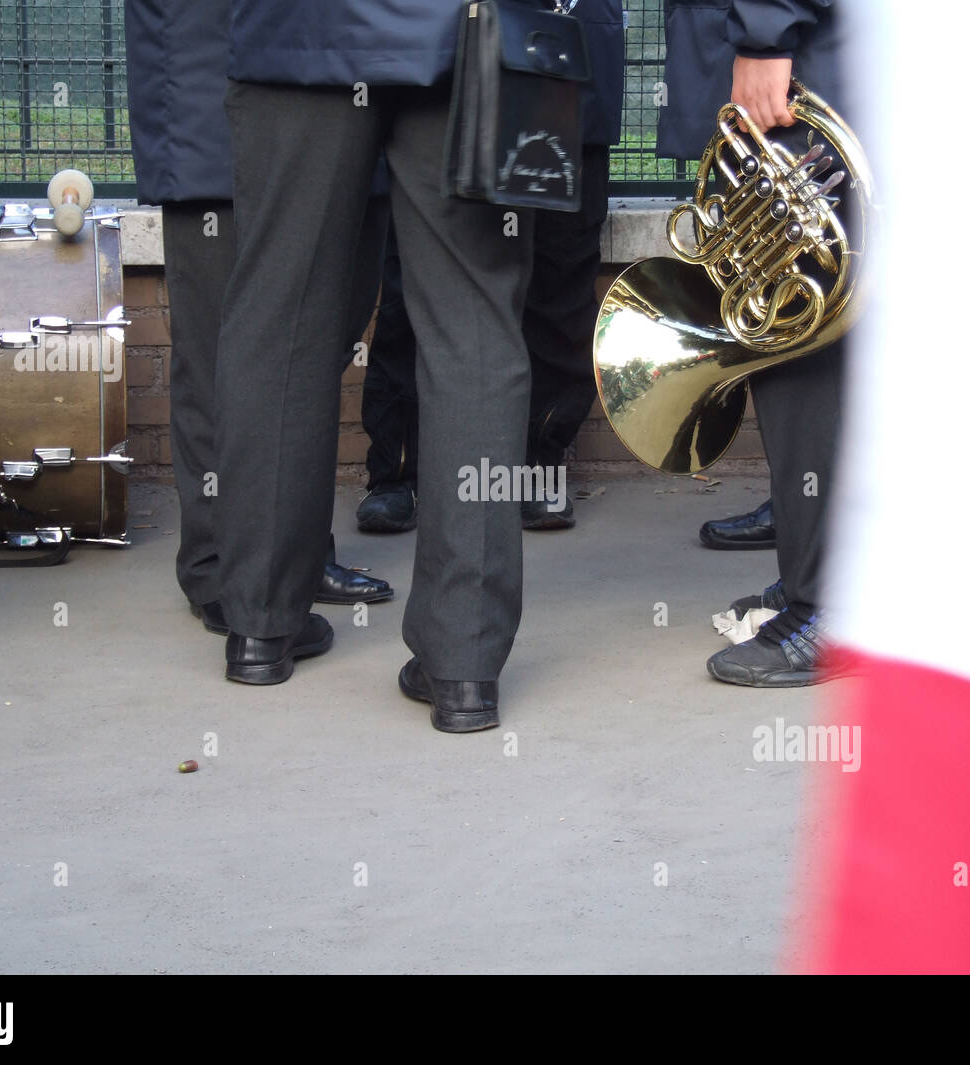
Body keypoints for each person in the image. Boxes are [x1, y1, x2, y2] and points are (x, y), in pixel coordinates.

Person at [214, 0, 539, 731]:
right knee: (475, 328)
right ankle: (465, 664)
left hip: (298, 35)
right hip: (465, 32)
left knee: (278, 319)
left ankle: (261, 627)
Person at [123, 0, 393, 638]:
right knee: (227, 350)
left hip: (340, 82)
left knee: (315, 344)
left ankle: (288, 559)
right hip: (207, 89)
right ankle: (223, 566)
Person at [354, 0, 626, 535]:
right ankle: (397, 471)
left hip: (565, 53)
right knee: (415, 281)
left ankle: (539, 463)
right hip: (444, 63)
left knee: (561, 279)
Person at [660, 0, 848, 686]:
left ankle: (828, 603)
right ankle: (823, 571)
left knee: (800, 335)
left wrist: (767, 34)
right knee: (819, 332)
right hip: (833, 48)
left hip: (808, 52)